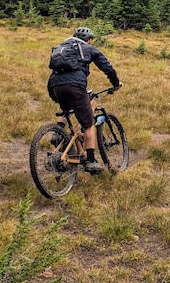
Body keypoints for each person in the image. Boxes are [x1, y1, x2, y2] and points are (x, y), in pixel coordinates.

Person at [47, 26, 122, 174]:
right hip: (75, 85)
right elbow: (107, 67)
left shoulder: (63, 46)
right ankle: (91, 161)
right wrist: (116, 83)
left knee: (66, 107)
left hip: (54, 85)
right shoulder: (88, 48)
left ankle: (58, 132)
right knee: (88, 124)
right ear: (88, 40)